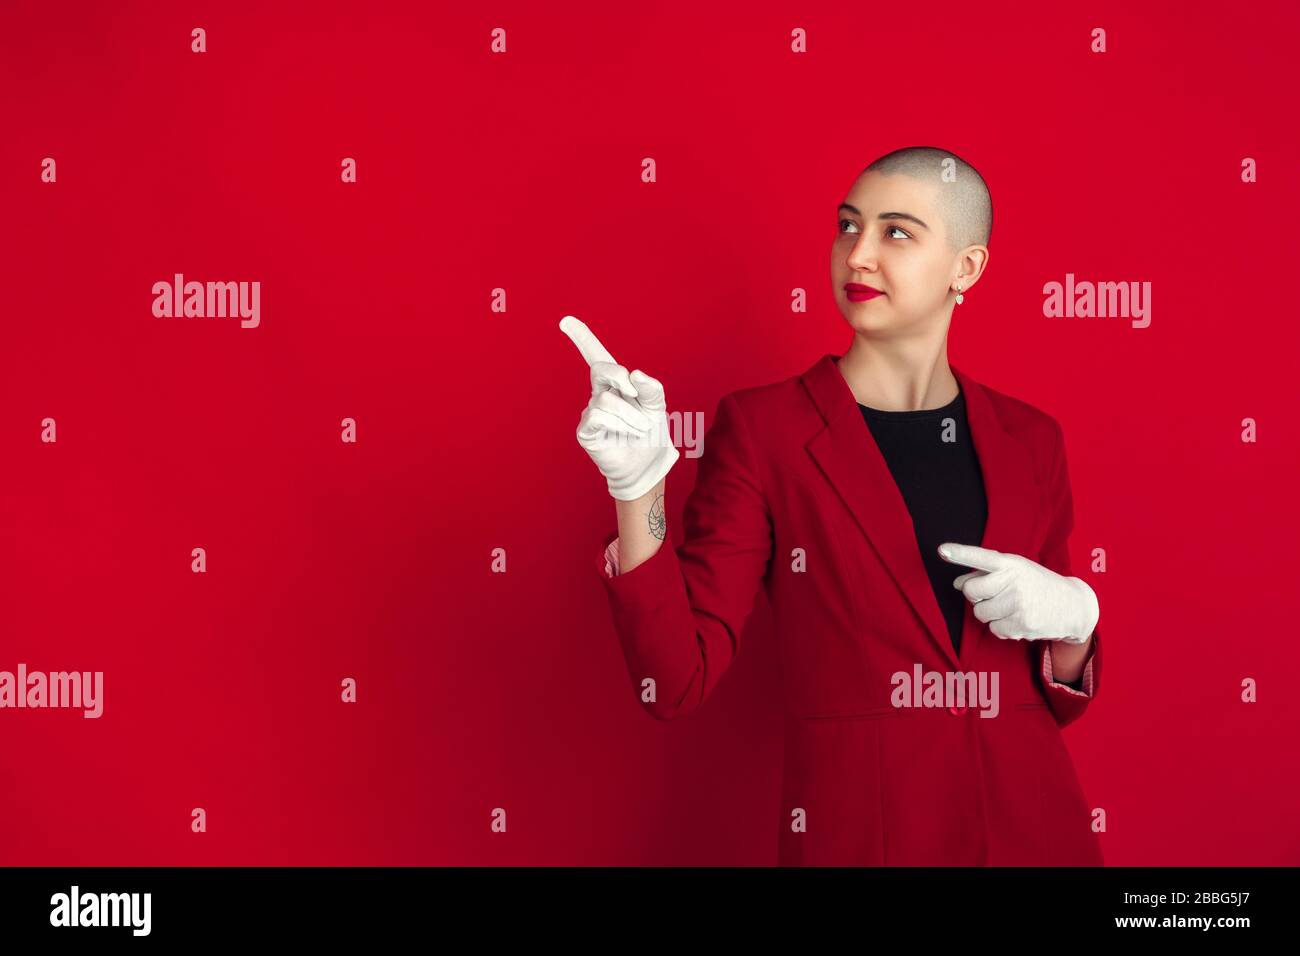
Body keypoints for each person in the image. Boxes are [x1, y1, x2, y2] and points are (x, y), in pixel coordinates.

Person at [560, 146, 1104, 866]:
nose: (859, 255)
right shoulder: (765, 430)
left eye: (896, 232)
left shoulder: (1032, 439)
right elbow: (676, 679)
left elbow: (1056, 693)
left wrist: (1076, 620)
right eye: (849, 226)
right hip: (864, 838)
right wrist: (638, 493)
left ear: (965, 269)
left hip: (1035, 832)